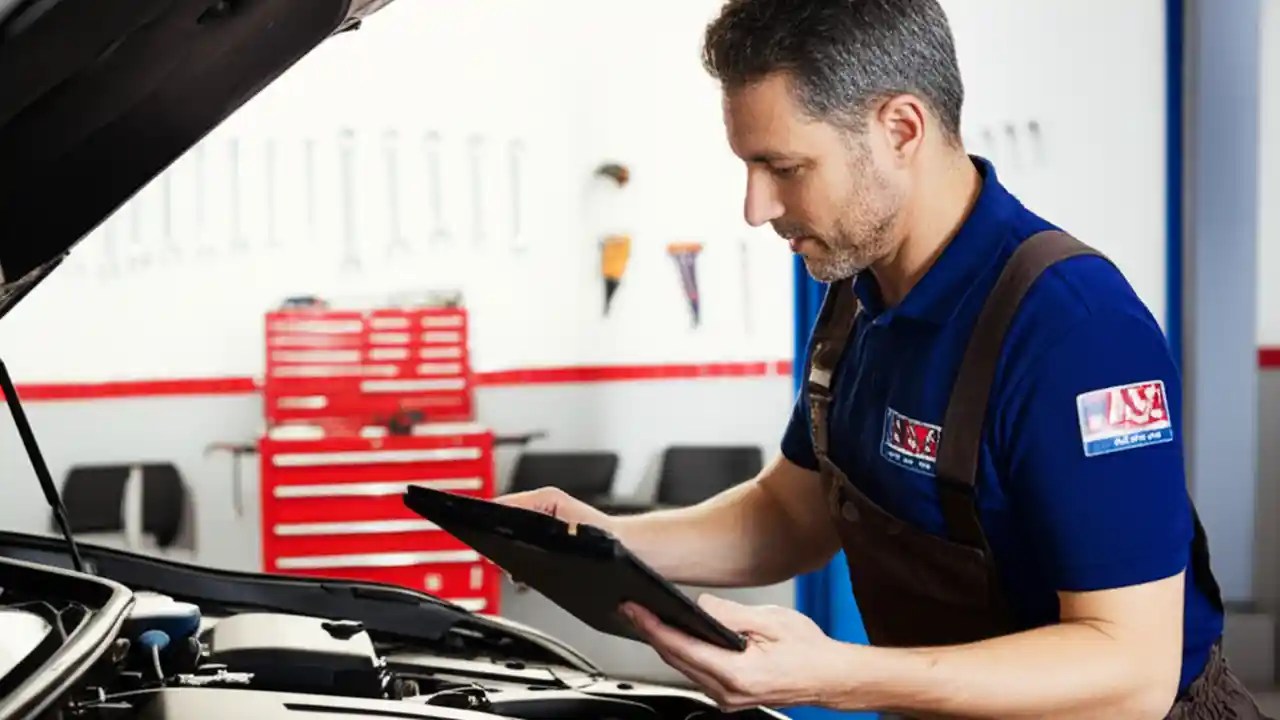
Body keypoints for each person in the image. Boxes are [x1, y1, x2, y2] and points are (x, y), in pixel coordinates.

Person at [498, 1, 1268, 717]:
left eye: (785, 168)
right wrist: (600, 538)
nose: (755, 207)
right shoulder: (856, 294)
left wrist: (836, 672)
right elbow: (789, 514)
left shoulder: (1074, 330)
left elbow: (1130, 671)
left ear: (901, 128)